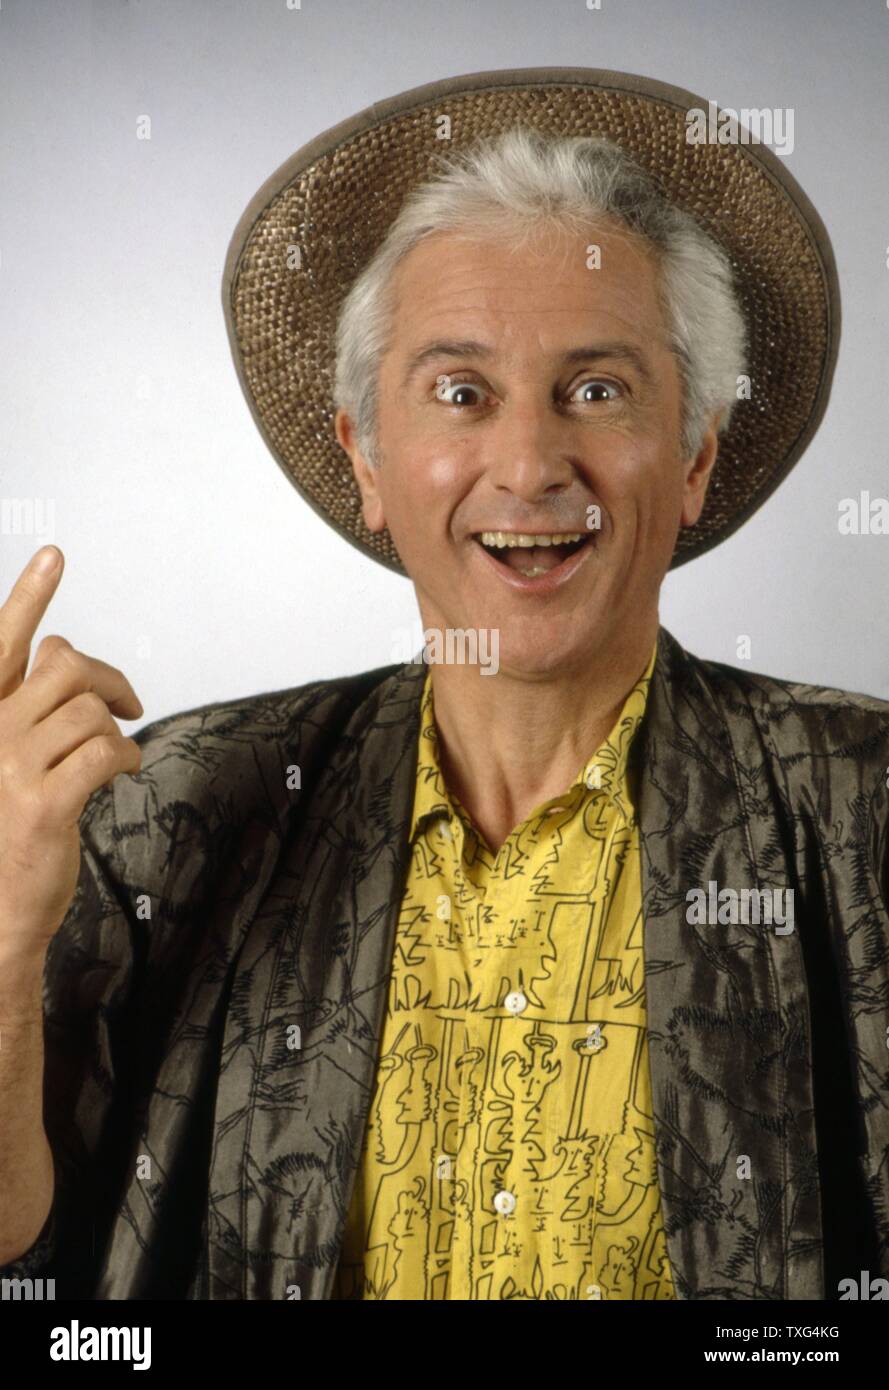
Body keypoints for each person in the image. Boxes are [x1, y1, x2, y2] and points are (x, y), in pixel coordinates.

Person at [0, 67, 885, 1302]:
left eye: (597, 388)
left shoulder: (863, 811)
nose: (528, 462)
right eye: (460, 392)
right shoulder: (167, 814)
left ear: (693, 455)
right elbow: (28, 1274)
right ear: (367, 458)